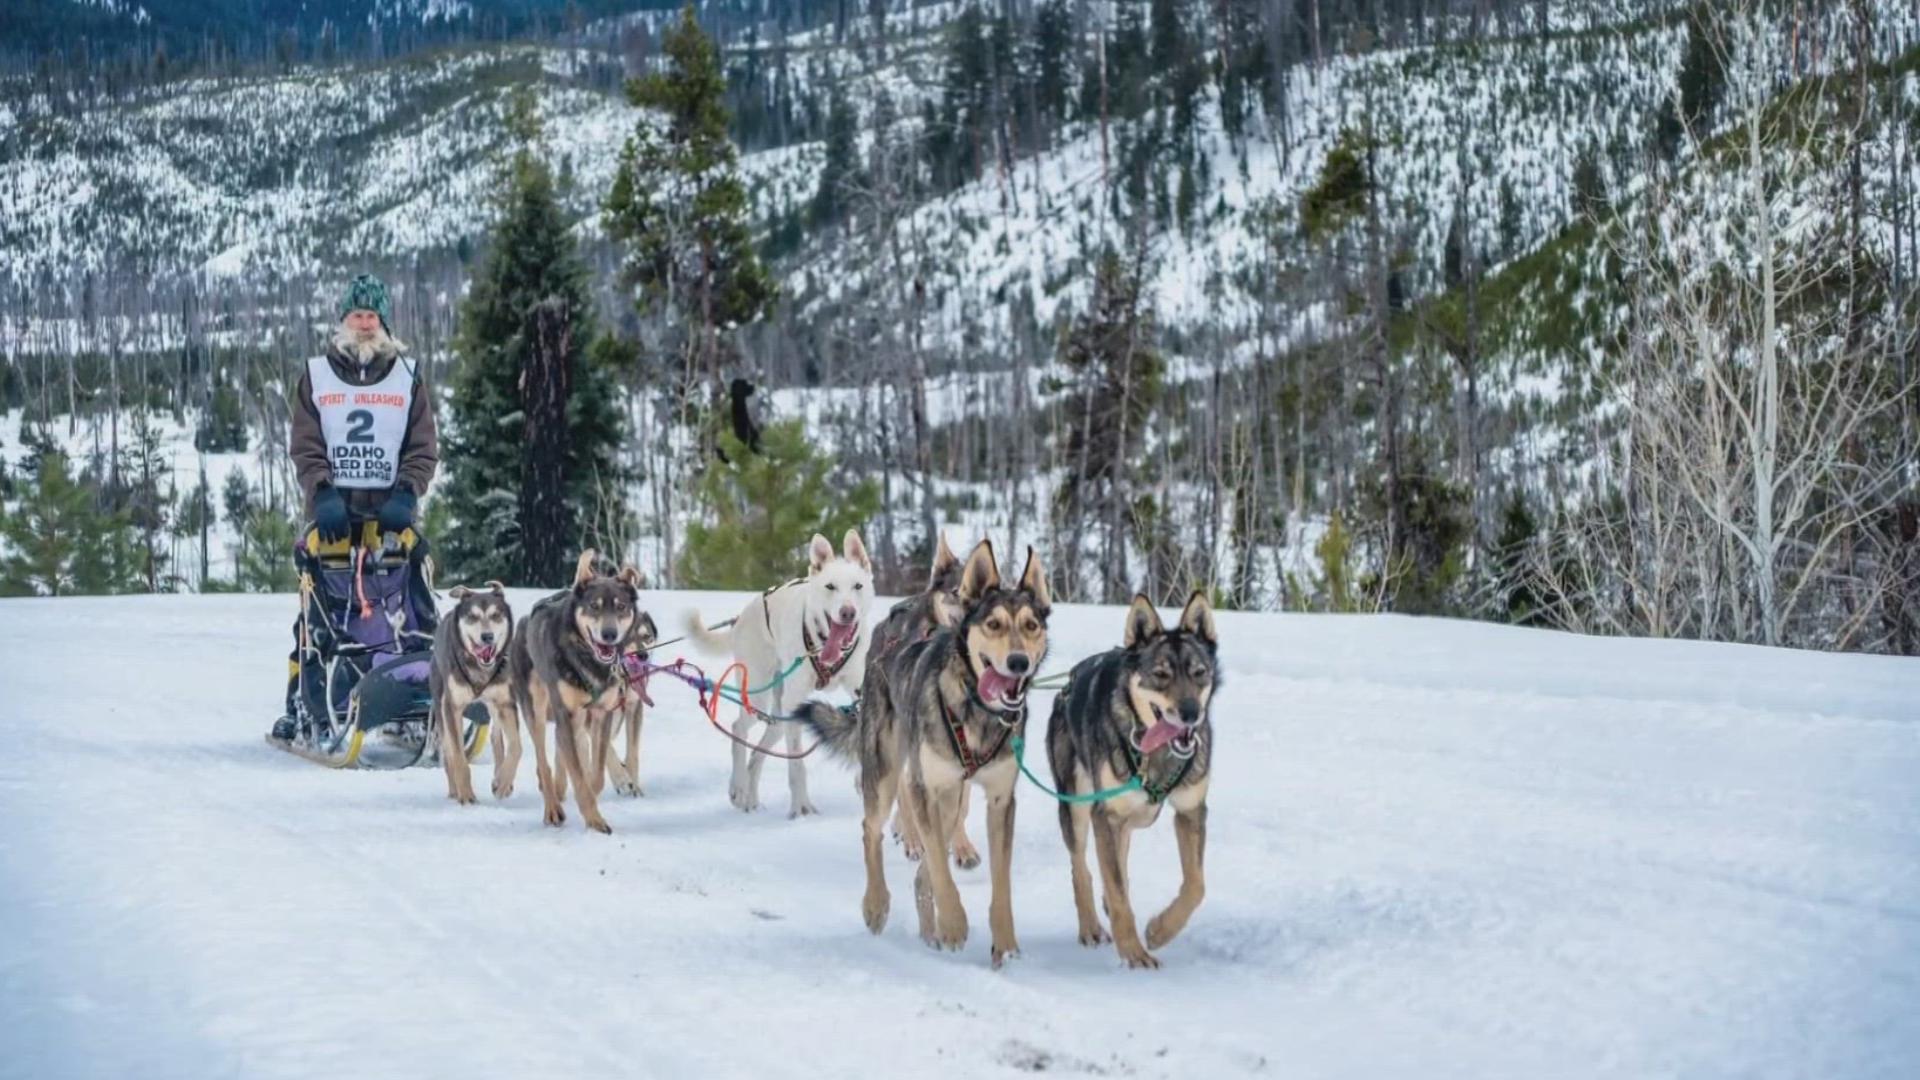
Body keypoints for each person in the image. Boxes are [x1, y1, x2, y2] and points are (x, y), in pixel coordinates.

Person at [271, 274, 440, 744]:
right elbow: (305, 443)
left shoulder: (408, 377)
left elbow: (423, 446)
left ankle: (417, 697)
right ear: (344, 320)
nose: (364, 324)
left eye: (371, 316)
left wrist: (408, 492)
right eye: (357, 315)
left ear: (383, 322)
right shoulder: (316, 376)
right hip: (333, 516)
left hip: (391, 516)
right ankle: (304, 705)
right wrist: (321, 490)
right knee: (319, 616)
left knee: (412, 608)